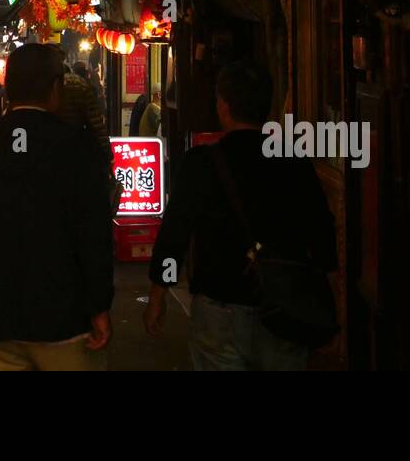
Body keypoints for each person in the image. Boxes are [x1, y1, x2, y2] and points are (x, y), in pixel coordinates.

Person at [143, 60, 336, 371]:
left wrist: (158, 292)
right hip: (286, 308)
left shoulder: (201, 163)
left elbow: (174, 236)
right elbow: (322, 231)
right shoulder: (294, 162)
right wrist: (323, 297)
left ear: (223, 106)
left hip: (219, 307)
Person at [0, 43, 114, 371]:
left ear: (8, 89)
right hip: (63, 315)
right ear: (56, 88)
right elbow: (94, 233)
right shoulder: (77, 148)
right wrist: (98, 305)